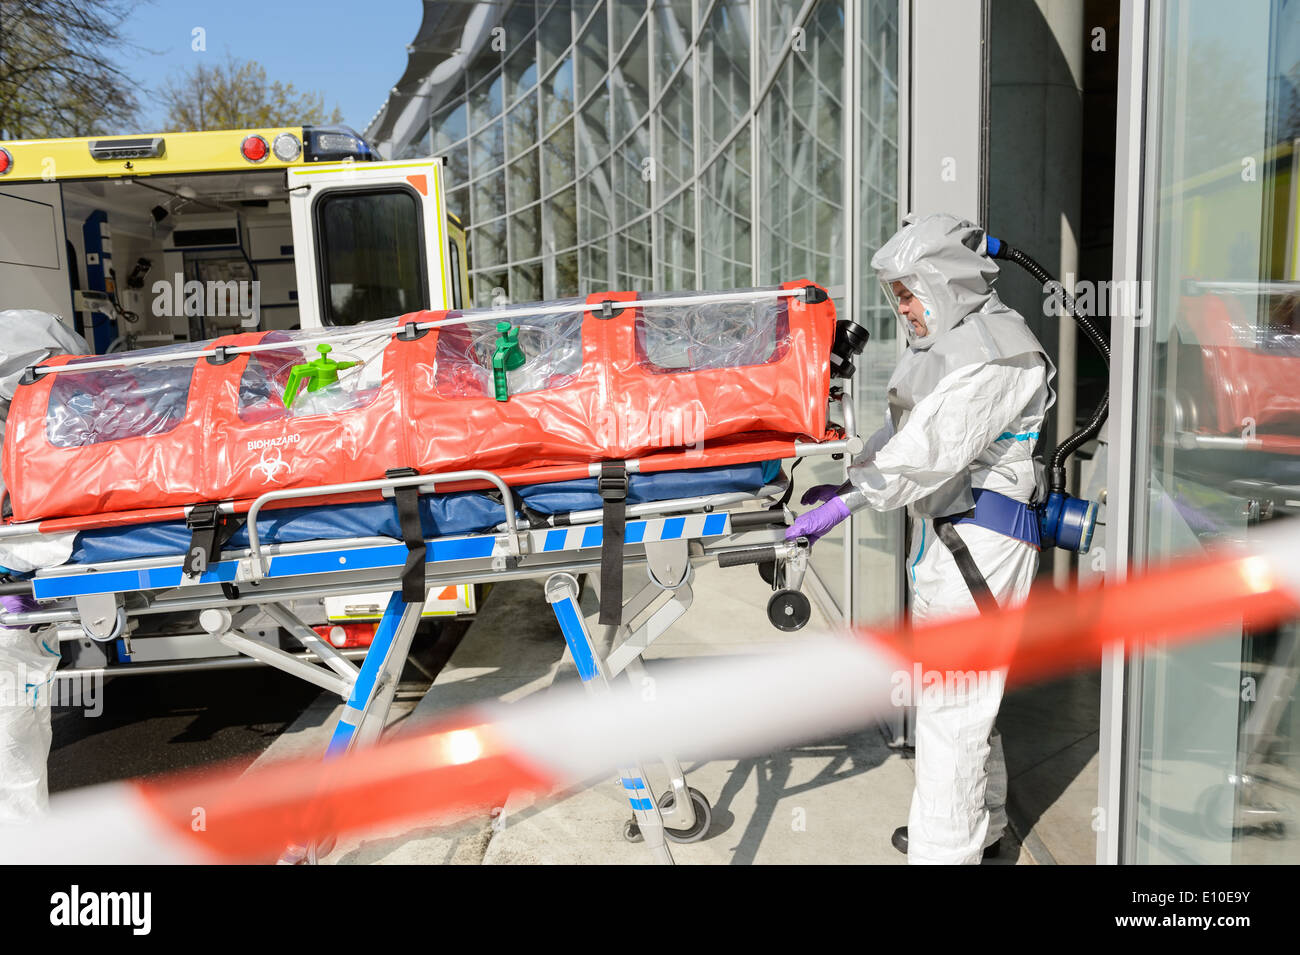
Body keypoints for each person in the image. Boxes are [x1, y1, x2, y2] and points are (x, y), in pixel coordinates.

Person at [787, 212, 1055, 865]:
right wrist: (849, 481)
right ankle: (980, 826)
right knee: (965, 700)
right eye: (896, 294)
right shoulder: (959, 348)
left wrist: (852, 499)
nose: (902, 307)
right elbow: (906, 432)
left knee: (951, 708)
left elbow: (930, 451)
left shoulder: (999, 351)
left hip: (984, 547)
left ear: (947, 280)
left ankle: (945, 852)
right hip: (959, 540)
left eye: (911, 292)